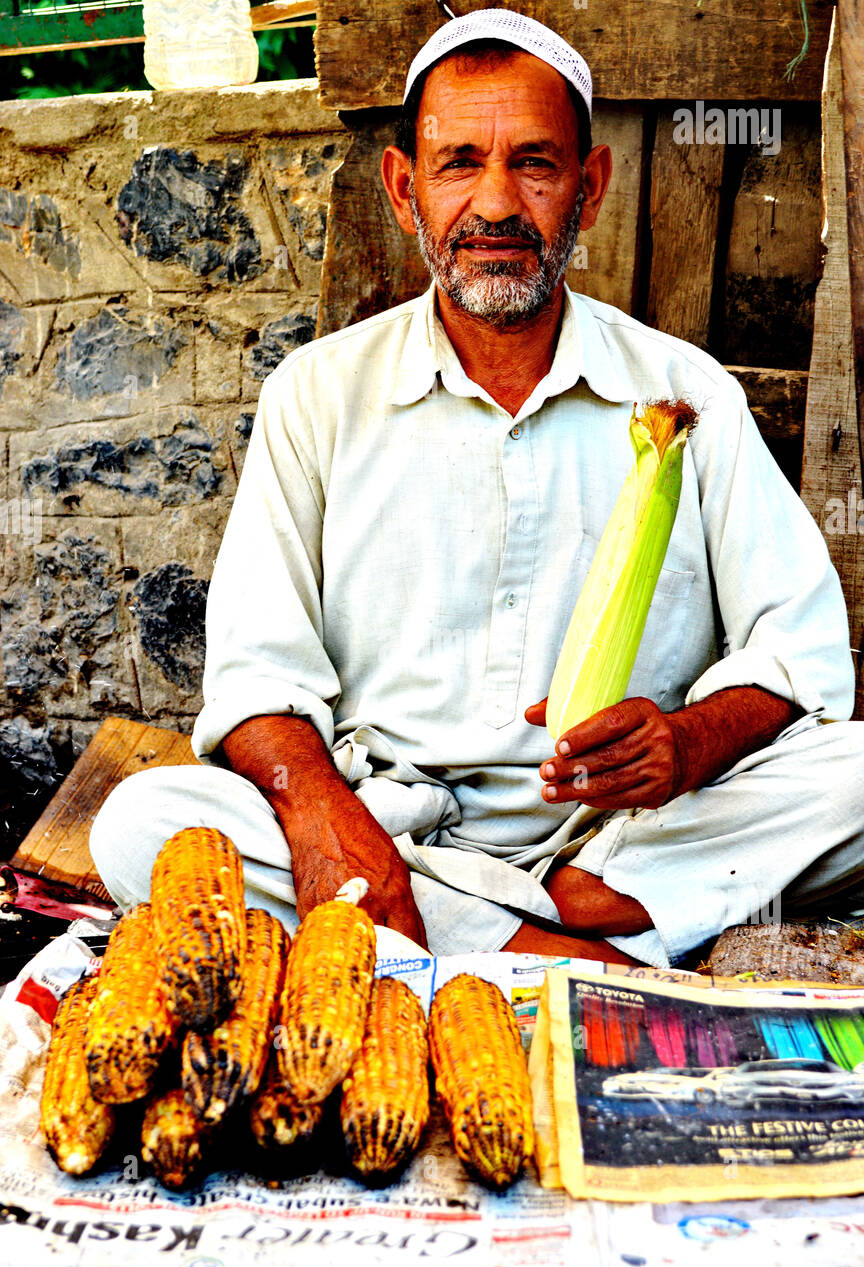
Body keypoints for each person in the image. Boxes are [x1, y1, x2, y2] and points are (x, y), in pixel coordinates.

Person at [91, 9, 864, 970]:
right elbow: (257, 677)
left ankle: (477, 933)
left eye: (535, 164)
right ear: (405, 189)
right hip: (388, 824)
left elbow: (801, 650)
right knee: (143, 822)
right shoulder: (320, 395)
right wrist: (326, 818)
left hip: (622, 839)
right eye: (460, 163)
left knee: (859, 772)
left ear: (589, 189)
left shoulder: (683, 395)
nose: (496, 204)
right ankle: (564, 953)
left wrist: (690, 741)